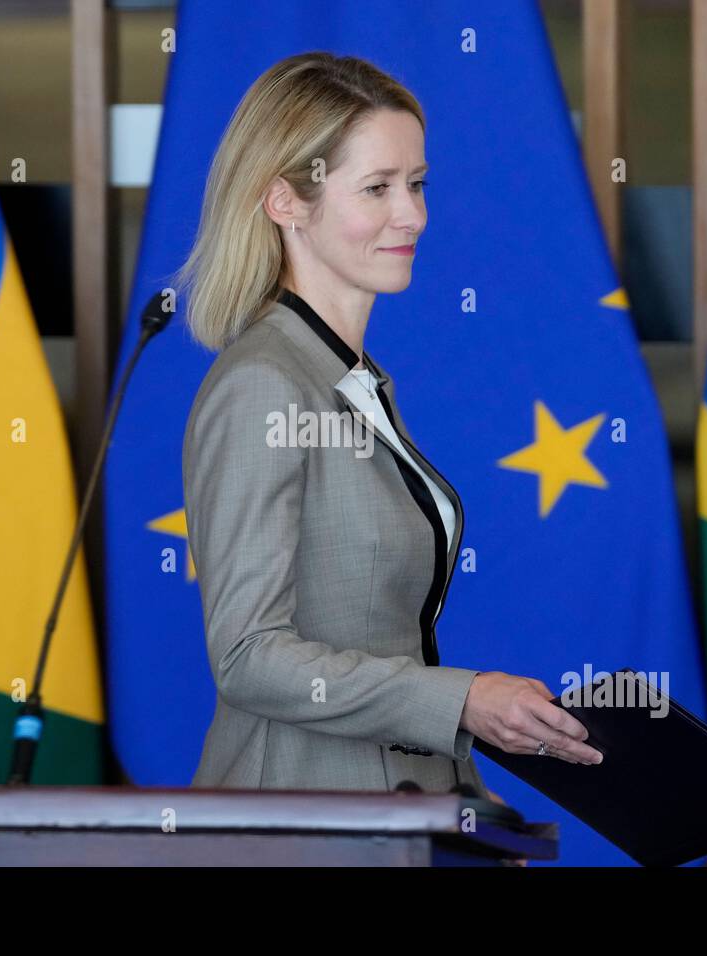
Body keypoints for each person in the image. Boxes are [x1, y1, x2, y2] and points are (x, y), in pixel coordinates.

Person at [176, 51, 603, 795]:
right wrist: (464, 700)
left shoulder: (350, 377)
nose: (413, 215)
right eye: (377, 188)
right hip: (303, 821)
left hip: (392, 814)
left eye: (416, 184)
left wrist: (465, 771)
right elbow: (248, 656)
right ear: (285, 201)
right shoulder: (265, 385)